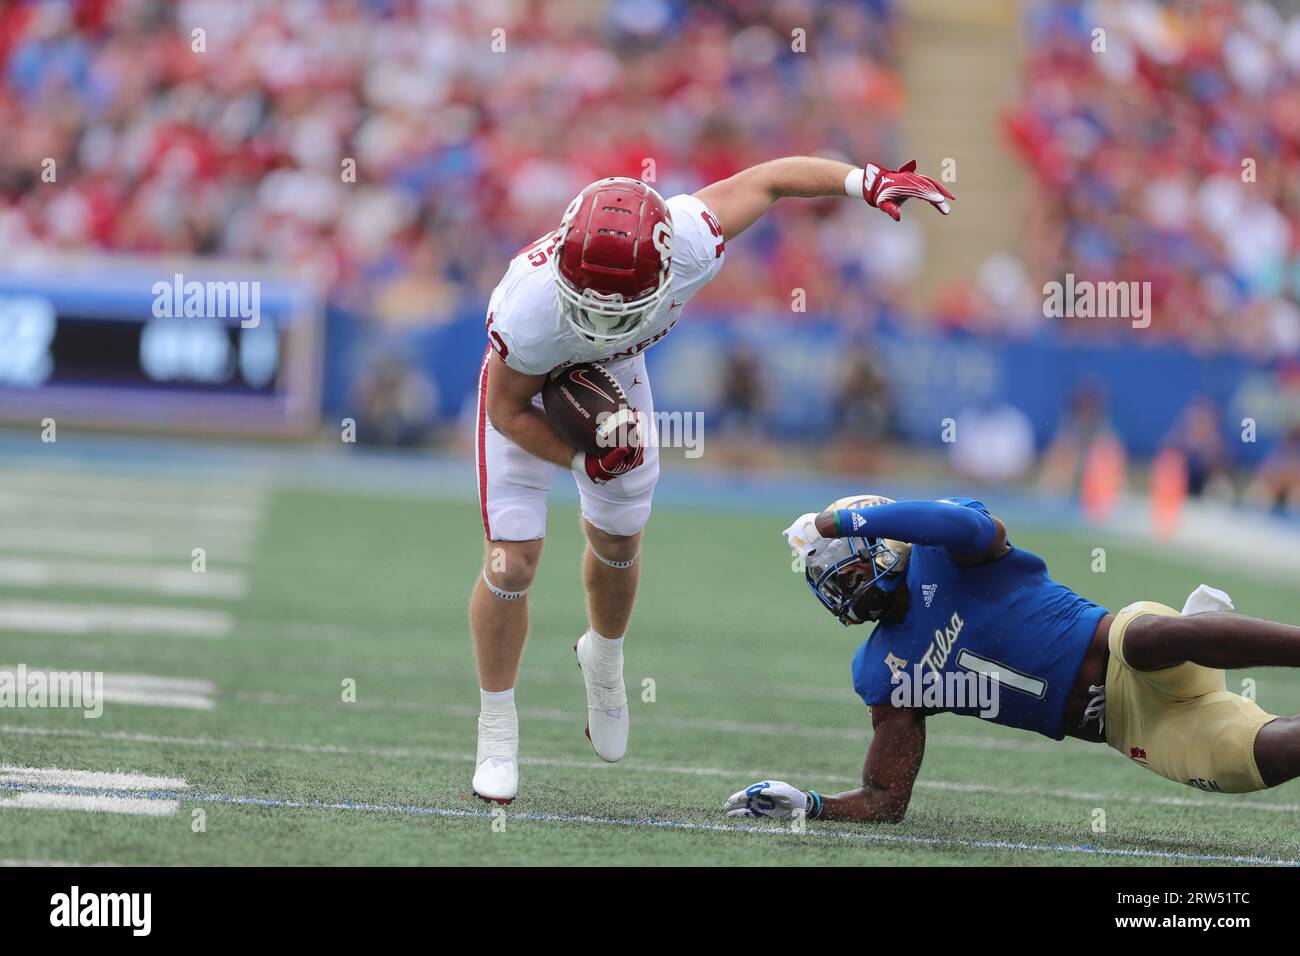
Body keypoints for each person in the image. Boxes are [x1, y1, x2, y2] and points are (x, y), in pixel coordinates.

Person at [471, 160, 955, 803]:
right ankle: (497, 731)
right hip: (531, 396)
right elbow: (506, 411)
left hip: (612, 380)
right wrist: (581, 460)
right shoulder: (527, 309)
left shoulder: (688, 240)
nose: (605, 318)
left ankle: (605, 660)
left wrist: (860, 181)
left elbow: (772, 179)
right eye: (591, 303)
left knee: (618, 541)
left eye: (623, 305)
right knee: (512, 562)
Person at [723, 495, 1300, 822]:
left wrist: (842, 519)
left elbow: (961, 520)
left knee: (1146, 640)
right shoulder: (881, 671)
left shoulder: (950, 552)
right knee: (1257, 759)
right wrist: (813, 805)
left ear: (880, 541)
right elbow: (885, 799)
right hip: (1133, 725)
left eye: (839, 565)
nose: (835, 586)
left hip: (1122, 650)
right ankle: (1204, 627)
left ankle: (1206, 627)